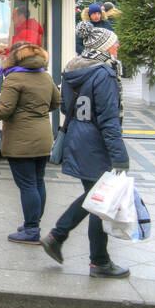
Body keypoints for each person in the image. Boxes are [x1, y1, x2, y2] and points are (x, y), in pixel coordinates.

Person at [41, 22, 131, 278]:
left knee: (95, 198)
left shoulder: (73, 69)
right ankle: (95, 260)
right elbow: (108, 119)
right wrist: (120, 156)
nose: (117, 46)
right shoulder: (104, 73)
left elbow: (65, 106)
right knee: (98, 200)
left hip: (78, 138)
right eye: (114, 42)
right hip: (96, 142)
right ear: (104, 46)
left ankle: (62, 240)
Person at [0, 42, 61, 244]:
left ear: (16, 57)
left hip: (22, 140)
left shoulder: (14, 78)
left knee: (27, 184)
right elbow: (56, 102)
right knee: (38, 181)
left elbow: (4, 109)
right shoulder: (45, 76)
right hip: (43, 137)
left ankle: (31, 230)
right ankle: (33, 222)